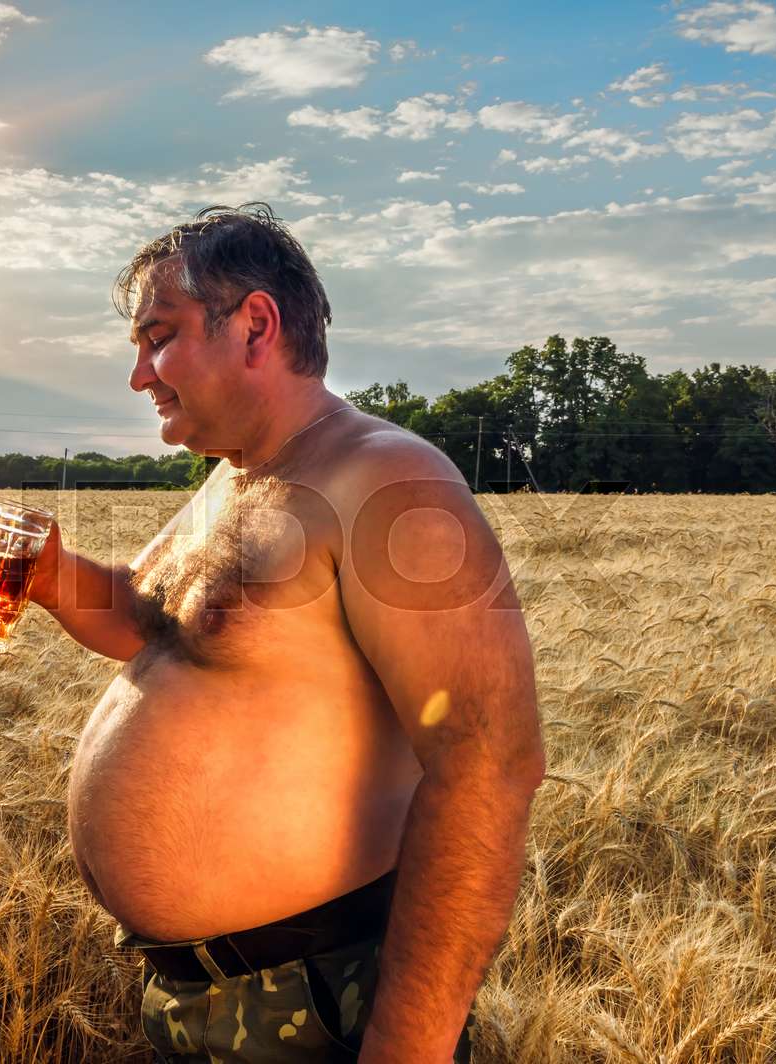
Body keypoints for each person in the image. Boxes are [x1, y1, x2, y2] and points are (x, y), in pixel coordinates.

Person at [27, 203, 545, 1062]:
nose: (139, 375)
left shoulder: (387, 482)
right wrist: (49, 576)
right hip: (208, 1003)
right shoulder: (241, 479)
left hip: (318, 1006)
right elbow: (152, 623)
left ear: (256, 325)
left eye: (159, 337)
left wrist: (406, 1049)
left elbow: (489, 764)